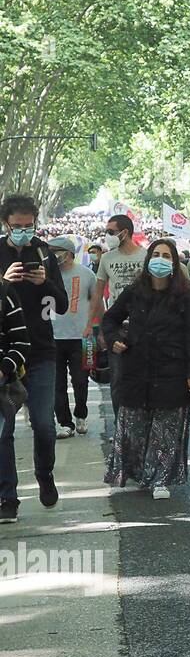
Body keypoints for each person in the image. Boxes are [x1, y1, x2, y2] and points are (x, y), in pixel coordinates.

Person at [101, 238, 190, 501]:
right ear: (148, 260)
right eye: (156, 254)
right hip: (137, 370)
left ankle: (161, 478)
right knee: (135, 426)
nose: (161, 259)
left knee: (166, 429)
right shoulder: (135, 291)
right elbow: (110, 318)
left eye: (166, 256)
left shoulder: (185, 296)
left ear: (174, 262)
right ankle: (138, 472)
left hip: (172, 370)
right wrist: (114, 341)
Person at [0, 195, 68, 512]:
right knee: (5, 431)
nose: (24, 232)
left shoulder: (43, 252)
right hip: (5, 356)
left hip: (41, 352)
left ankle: (45, 473)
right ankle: (8, 497)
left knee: (43, 424)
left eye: (29, 226)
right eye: (17, 226)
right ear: (5, 224)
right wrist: (3, 282)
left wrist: (46, 283)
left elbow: (63, 305)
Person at [84, 213, 146, 412]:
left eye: (110, 231)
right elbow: (98, 294)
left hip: (143, 325)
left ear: (124, 232)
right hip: (116, 326)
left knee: (143, 377)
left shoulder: (146, 256)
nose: (107, 235)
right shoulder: (107, 258)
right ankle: (121, 428)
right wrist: (93, 326)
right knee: (117, 380)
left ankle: (141, 423)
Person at [49, 236, 94, 438]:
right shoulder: (46, 275)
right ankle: (65, 423)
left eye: (56, 251)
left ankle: (81, 415)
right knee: (57, 383)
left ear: (68, 254)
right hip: (52, 337)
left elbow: (96, 302)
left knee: (81, 380)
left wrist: (94, 327)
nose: (53, 256)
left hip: (82, 337)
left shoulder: (86, 274)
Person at [0, 270, 29, 523]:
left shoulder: (5, 294)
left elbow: (21, 343)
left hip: (2, 386)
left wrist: (3, 369)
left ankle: (8, 497)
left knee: (2, 438)